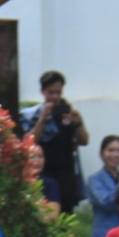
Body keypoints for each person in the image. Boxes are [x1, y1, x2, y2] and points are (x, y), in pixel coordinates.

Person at [29, 71, 88, 208]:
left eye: (58, 92)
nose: (55, 97)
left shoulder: (66, 111)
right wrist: (42, 119)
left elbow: (84, 141)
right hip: (44, 172)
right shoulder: (34, 115)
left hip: (66, 175)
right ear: (42, 92)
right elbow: (30, 142)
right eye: (51, 93)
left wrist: (78, 123)